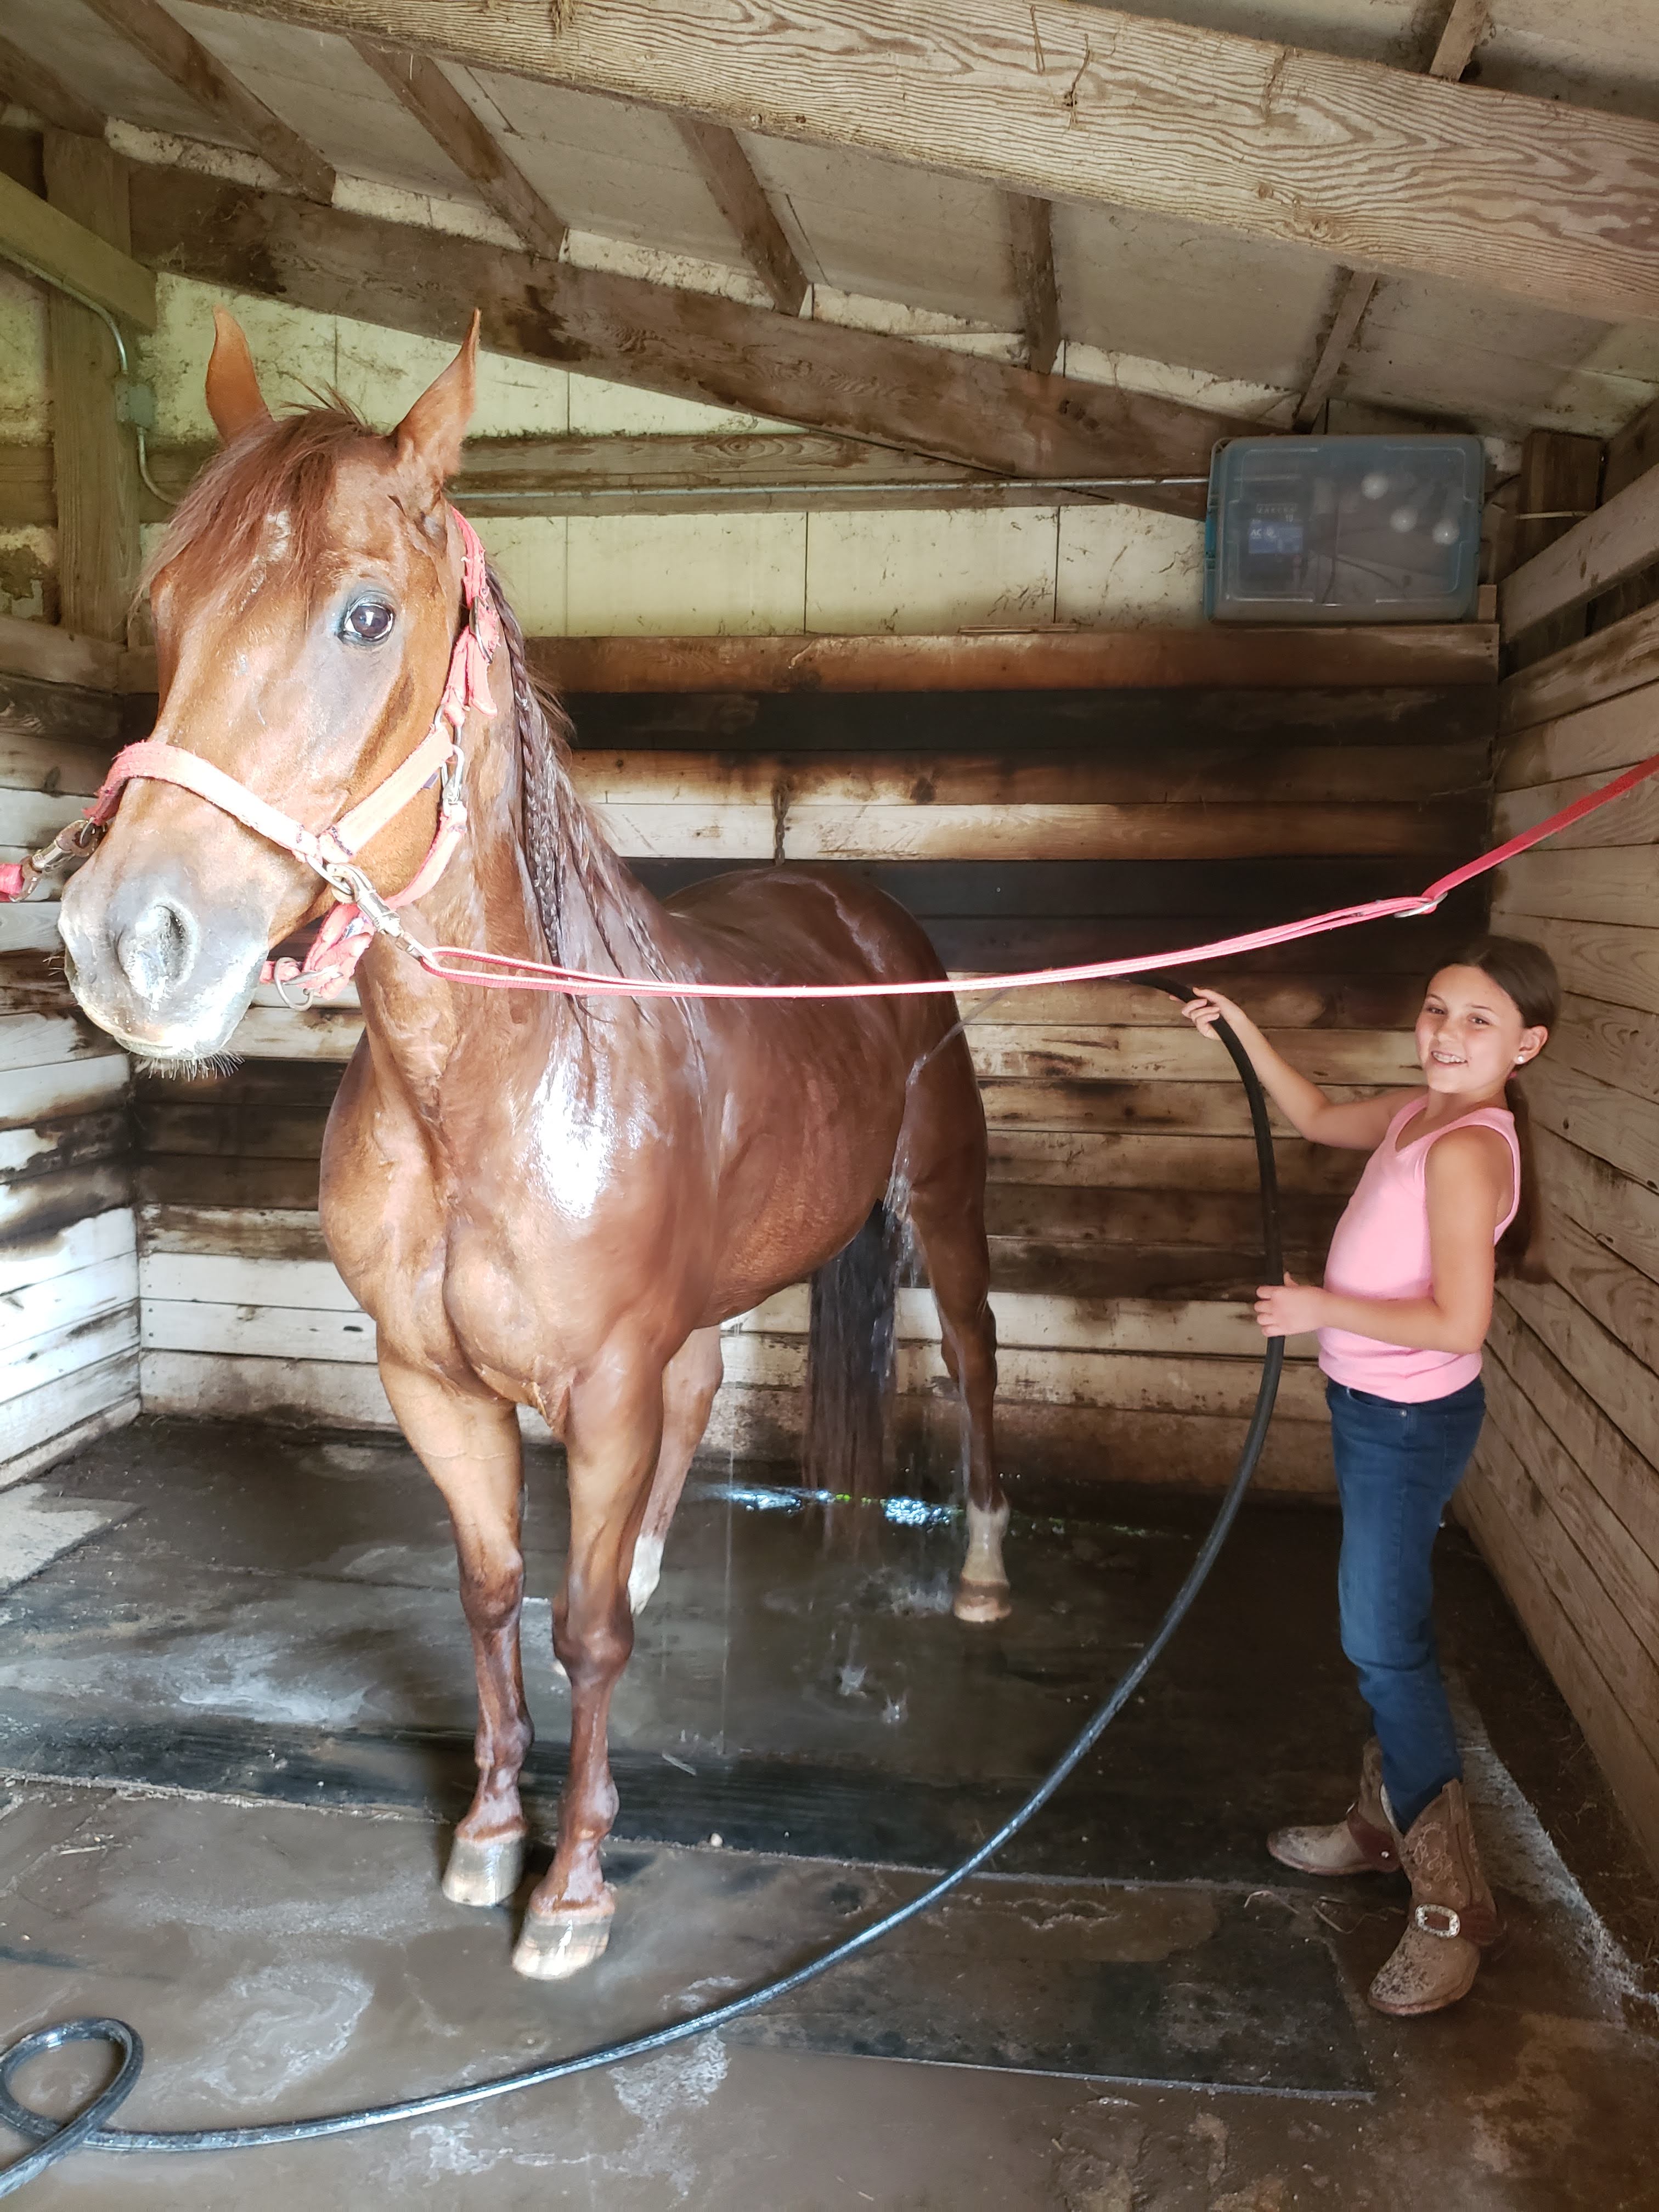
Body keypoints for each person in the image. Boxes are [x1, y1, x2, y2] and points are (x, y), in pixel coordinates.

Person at [1181, 935, 1559, 2017]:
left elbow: (1459, 1321)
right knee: (1381, 1630)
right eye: (1438, 1008)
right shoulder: (1416, 1114)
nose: (1446, 1032)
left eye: (1479, 1020)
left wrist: (1322, 1308)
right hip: (1374, 1409)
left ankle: (1457, 1909)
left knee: (1385, 1645)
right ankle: (1382, 1823)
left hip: (1407, 1420)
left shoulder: (1467, 1150)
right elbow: (1310, 1117)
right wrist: (1242, 1026)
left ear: (1526, 1045)